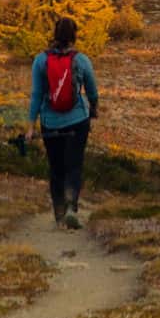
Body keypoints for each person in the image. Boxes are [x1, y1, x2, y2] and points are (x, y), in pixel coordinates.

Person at [28, 14, 99, 229]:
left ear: (54, 34)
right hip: (78, 119)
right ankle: (71, 208)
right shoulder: (82, 60)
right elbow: (92, 91)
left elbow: (37, 94)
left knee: (56, 167)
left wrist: (31, 124)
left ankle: (59, 214)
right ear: (74, 36)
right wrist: (93, 109)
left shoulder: (41, 60)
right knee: (74, 166)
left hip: (50, 123)